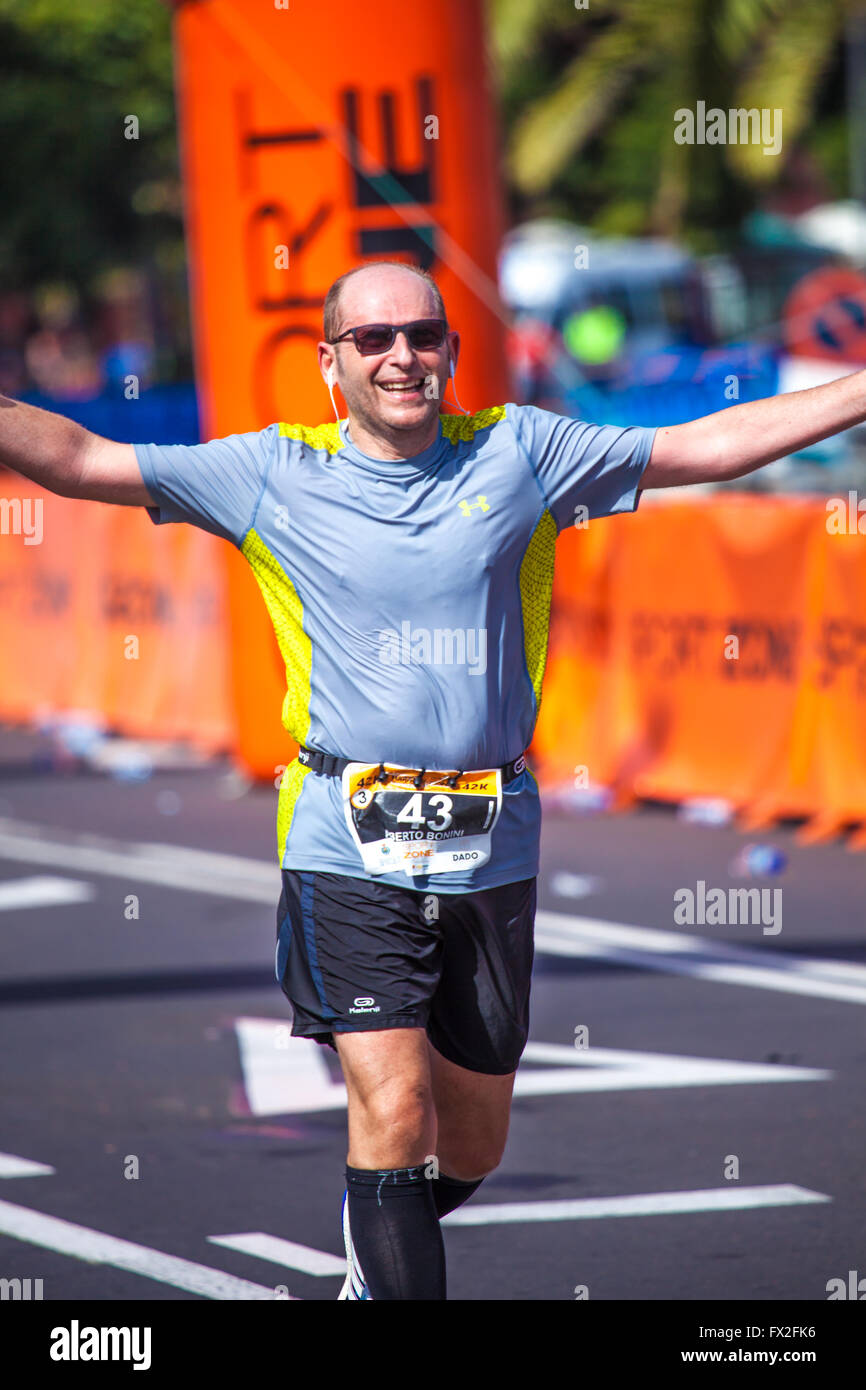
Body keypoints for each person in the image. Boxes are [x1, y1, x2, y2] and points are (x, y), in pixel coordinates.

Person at [3, 259, 865, 1300]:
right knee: (394, 1107)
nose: (400, 356)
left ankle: (378, 1230)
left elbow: (701, 445)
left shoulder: (521, 450)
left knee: (470, 1142)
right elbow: (83, 456)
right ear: (330, 364)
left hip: (492, 833)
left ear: (451, 352)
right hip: (340, 831)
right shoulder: (270, 471)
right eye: (372, 340)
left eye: (421, 335)